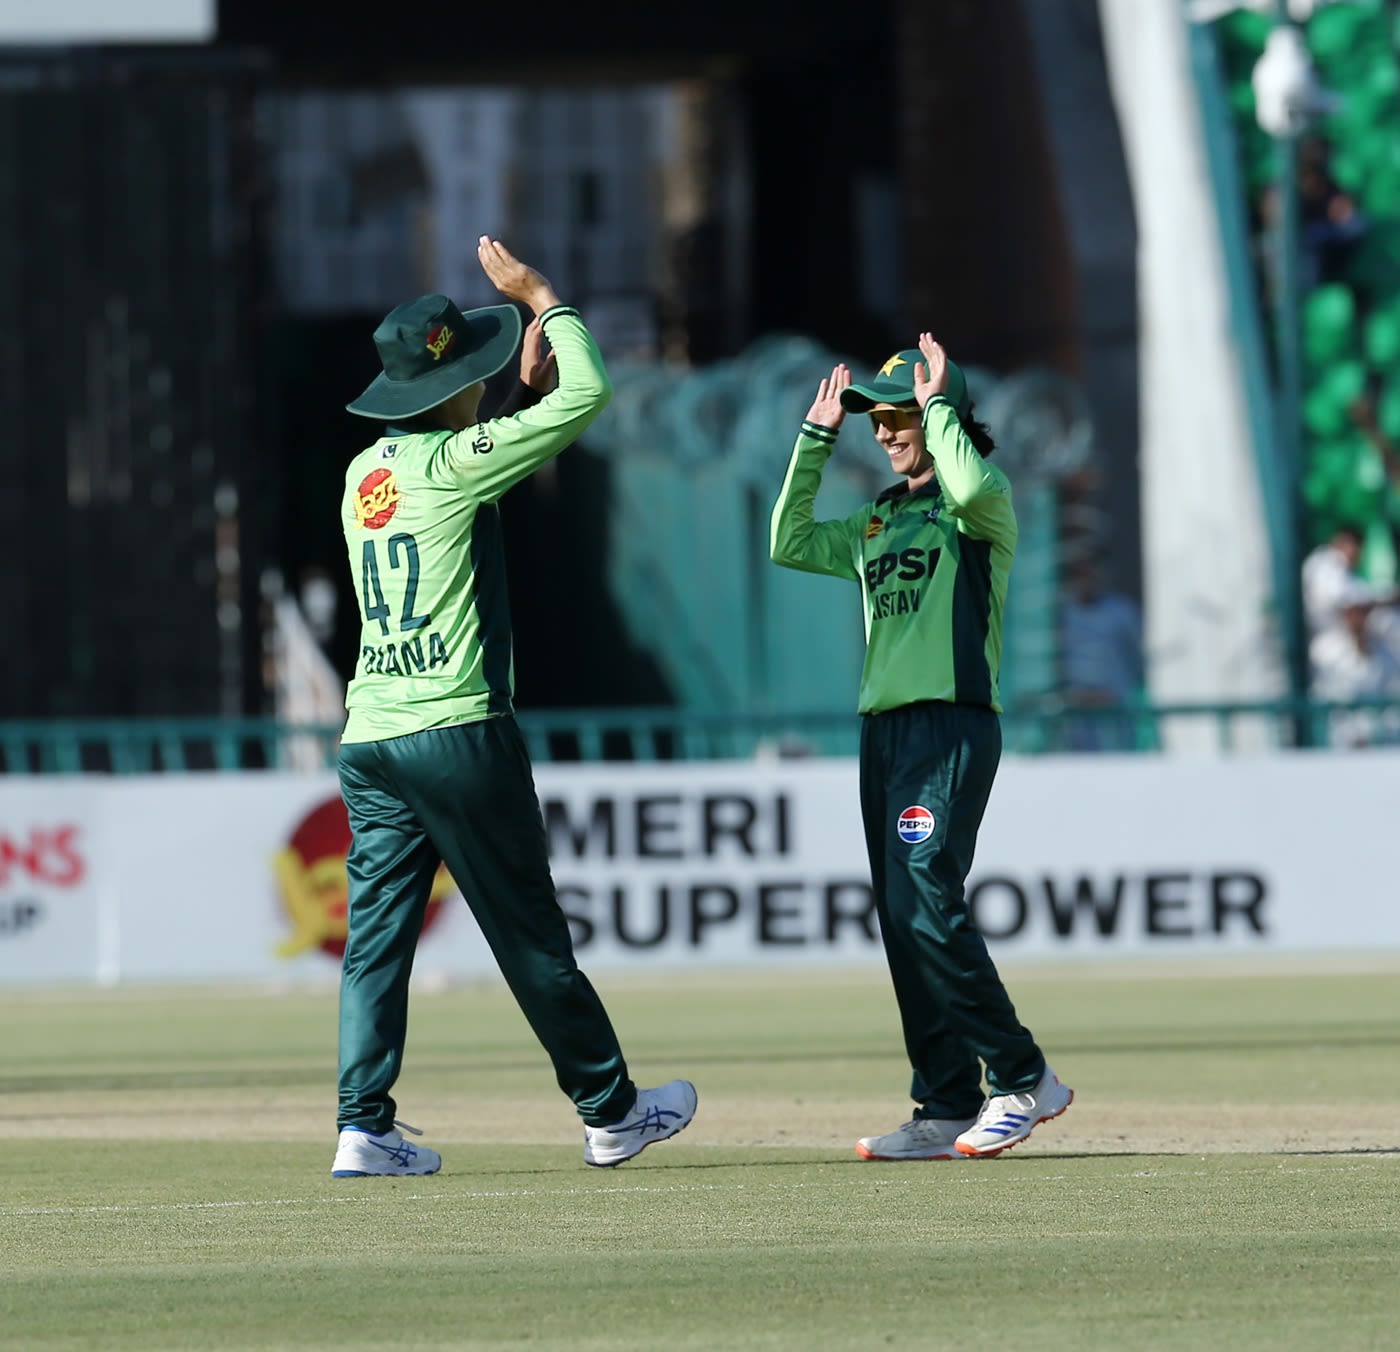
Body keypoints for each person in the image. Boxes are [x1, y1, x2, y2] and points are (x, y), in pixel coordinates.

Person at [329, 236, 696, 1178]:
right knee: (528, 932)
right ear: (453, 385)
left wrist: (504, 400)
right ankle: (611, 1110)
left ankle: (362, 1127)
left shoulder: (364, 475)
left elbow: (451, 454)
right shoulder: (455, 463)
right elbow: (588, 397)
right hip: (456, 731)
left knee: (375, 944)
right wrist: (542, 299)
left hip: (371, 736)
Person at [769, 334, 1072, 1161]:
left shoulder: (981, 504)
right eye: (880, 417)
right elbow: (788, 541)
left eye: (897, 414)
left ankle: (1023, 1077)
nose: (886, 429)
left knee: (929, 899)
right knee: (903, 919)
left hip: (950, 724)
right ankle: (943, 1103)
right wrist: (817, 437)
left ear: (939, 413)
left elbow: (969, 477)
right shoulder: (877, 518)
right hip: (884, 734)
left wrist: (939, 412)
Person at [1059, 551, 1145, 752]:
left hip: (1116, 711)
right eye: (1078, 573)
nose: (1085, 580)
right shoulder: (1058, 614)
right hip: (1072, 717)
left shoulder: (1122, 611)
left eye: (1090, 572)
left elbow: (1137, 659)